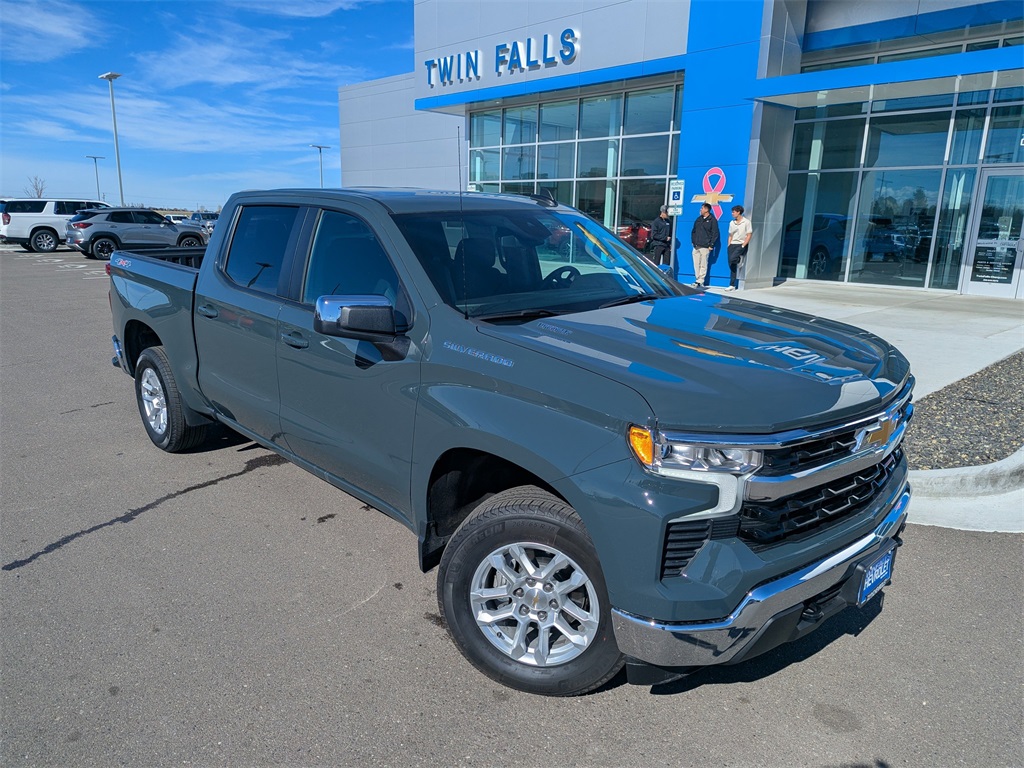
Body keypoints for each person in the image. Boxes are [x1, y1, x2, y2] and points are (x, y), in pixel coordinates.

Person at [690, 203, 718, 289]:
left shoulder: (712, 220)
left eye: (702, 208)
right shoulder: (698, 219)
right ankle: (697, 279)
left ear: (706, 210)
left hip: (705, 246)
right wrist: (693, 241)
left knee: (703, 264)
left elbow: (715, 233)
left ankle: (700, 280)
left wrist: (711, 244)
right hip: (696, 245)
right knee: (696, 263)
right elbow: (693, 231)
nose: (700, 210)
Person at [725, 205, 752, 291]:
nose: (732, 213)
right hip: (732, 244)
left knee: (733, 259)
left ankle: (739, 259)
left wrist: (743, 245)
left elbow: (749, 235)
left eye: (734, 212)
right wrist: (729, 245)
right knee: (731, 264)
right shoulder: (732, 223)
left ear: (739, 212)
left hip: (741, 244)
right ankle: (732, 285)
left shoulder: (746, 222)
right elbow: (730, 235)